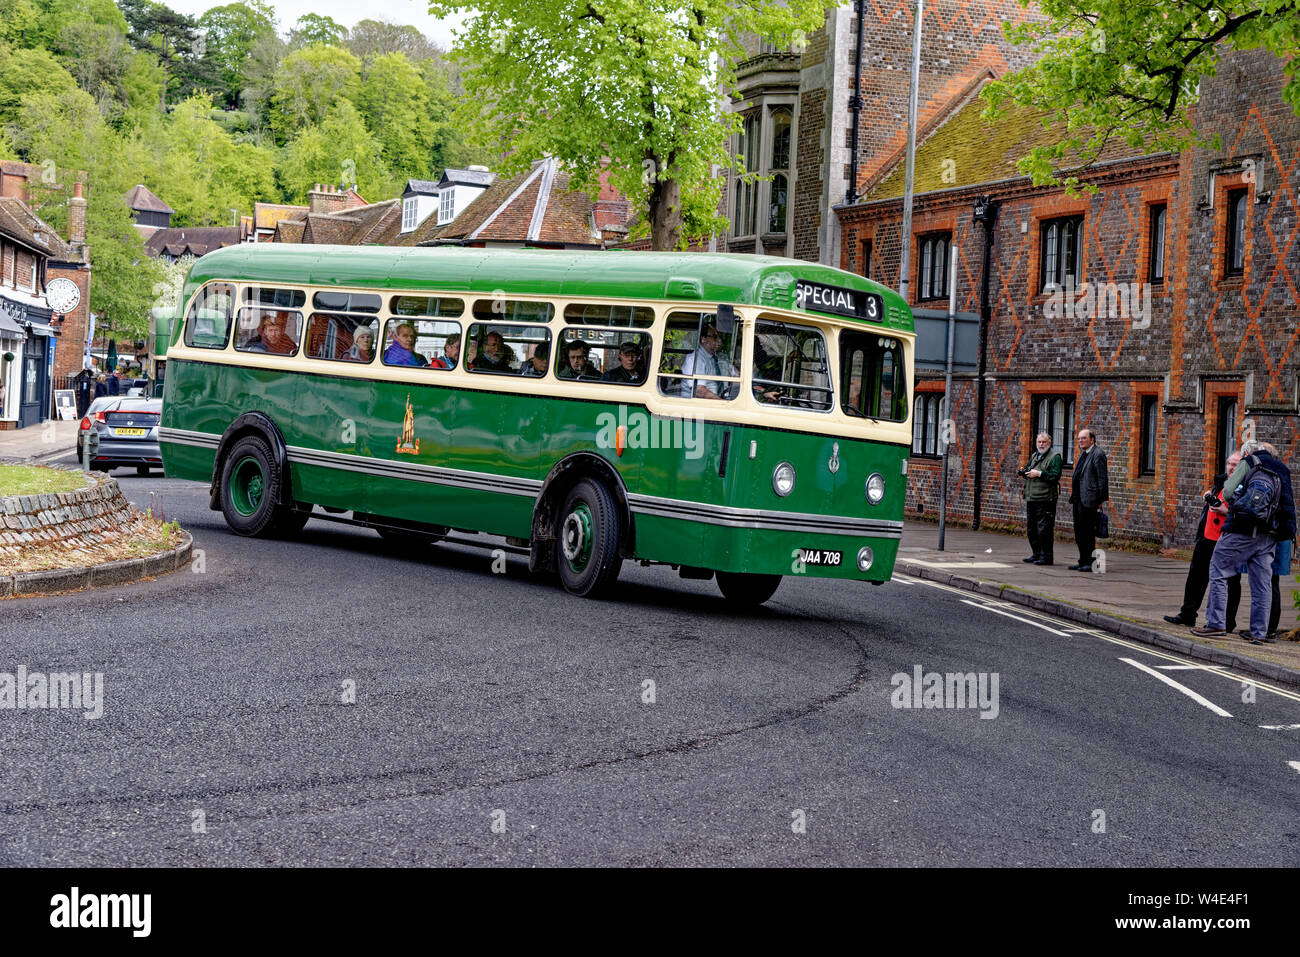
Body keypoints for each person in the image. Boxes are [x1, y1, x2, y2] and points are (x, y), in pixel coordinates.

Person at [1194, 440, 1296, 644]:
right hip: (1270, 534)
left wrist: (1233, 503)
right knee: (1262, 584)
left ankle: (1216, 623)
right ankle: (1259, 632)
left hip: (1242, 528)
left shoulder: (1249, 461)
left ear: (1247, 452)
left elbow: (1229, 490)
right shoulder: (1281, 468)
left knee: (1218, 568)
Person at [1165, 451, 1241, 628]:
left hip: (1227, 539)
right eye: (1229, 463)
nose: (1231, 467)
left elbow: (1245, 513)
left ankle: (1228, 622)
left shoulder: (1243, 486)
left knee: (1230, 581)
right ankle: (1188, 614)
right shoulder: (1221, 481)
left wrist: (1226, 511)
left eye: (1236, 465)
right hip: (1207, 537)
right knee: (1196, 577)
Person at [1068, 428, 1109, 571]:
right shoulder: (1084, 454)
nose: (1080, 441)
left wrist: (1099, 501)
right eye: (1079, 439)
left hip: (1090, 501)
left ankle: (1091, 564)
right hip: (1079, 500)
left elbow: (1102, 479)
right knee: (1079, 532)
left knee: (1088, 533)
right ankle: (1082, 560)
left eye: (1083, 438)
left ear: (1092, 439)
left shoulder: (1098, 454)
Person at [1020, 432, 1062, 565]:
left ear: (1049, 443)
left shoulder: (1055, 457)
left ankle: (1046, 557)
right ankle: (1036, 554)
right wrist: (1024, 471)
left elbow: (1055, 476)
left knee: (1044, 529)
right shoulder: (1034, 455)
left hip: (1046, 498)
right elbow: (1029, 469)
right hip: (1032, 497)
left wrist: (1039, 473)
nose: (1041, 444)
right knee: (1031, 529)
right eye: (1039, 442)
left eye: (1044, 442)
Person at [679, 324, 737, 399]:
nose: (719, 341)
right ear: (703, 339)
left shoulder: (717, 357)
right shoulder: (695, 359)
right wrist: (721, 402)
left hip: (718, 398)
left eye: (720, 337)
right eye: (715, 337)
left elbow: (735, 376)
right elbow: (699, 391)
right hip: (699, 404)